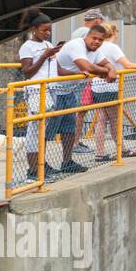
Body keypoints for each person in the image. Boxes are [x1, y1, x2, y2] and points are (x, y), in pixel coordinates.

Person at [55, 25, 117, 172]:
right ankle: (38, 170)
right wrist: (106, 71)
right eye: (94, 38)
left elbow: (105, 62)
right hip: (52, 90)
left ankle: (67, 162)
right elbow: (87, 66)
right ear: (86, 37)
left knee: (69, 129)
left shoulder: (95, 50)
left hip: (68, 91)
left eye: (100, 40)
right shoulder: (76, 45)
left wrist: (112, 69)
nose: (96, 42)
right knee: (46, 132)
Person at [17, 8, 66, 178]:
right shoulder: (27, 47)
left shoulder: (48, 45)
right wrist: (44, 56)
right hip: (36, 90)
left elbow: (56, 68)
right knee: (35, 130)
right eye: (44, 30)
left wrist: (79, 73)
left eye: (49, 30)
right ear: (34, 30)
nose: (47, 33)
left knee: (42, 131)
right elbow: (27, 72)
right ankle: (33, 169)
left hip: (50, 89)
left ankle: (41, 164)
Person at [91, 22, 136, 161]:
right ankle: (121, 149)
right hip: (110, 87)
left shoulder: (95, 47)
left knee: (101, 120)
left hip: (97, 87)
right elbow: (127, 65)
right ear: (114, 33)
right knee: (115, 120)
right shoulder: (112, 47)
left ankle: (100, 152)